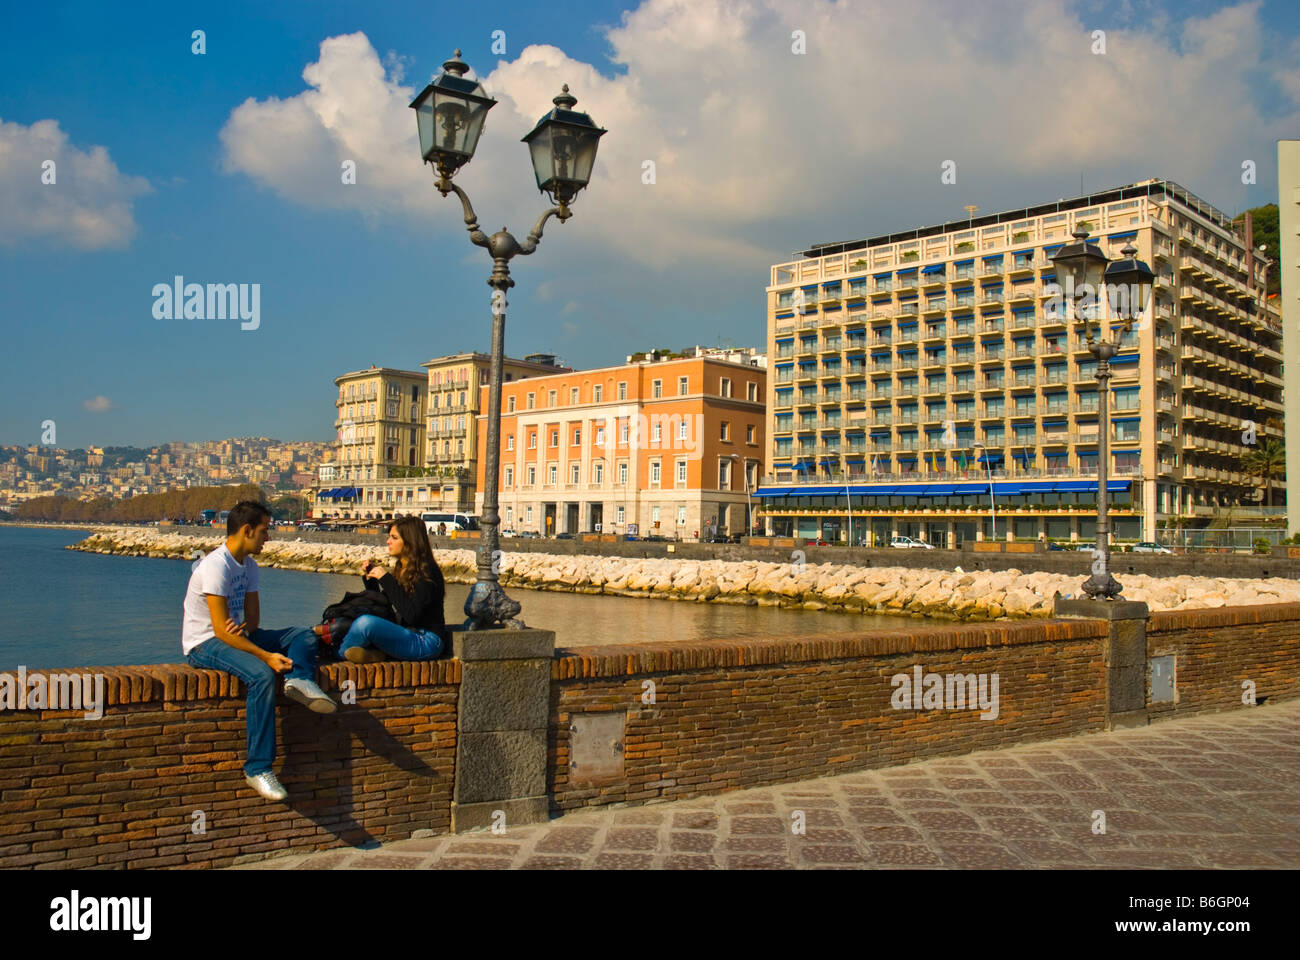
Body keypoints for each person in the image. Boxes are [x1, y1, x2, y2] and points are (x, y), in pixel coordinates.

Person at [182, 500, 337, 802]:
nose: (269, 537)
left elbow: (252, 621)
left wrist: (248, 634)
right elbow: (219, 630)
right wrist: (264, 656)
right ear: (247, 530)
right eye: (265, 531)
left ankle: (299, 681)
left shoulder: (249, 565)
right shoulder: (215, 566)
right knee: (261, 675)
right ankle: (257, 767)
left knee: (303, 635)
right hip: (203, 644)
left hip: (233, 635)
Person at [334, 515, 449, 663]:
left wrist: (386, 579)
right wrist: (372, 580)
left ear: (409, 542)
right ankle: (377, 655)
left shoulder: (427, 572)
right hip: (407, 634)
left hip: (427, 641)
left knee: (365, 623)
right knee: (353, 618)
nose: (388, 542)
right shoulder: (402, 568)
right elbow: (386, 605)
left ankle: (339, 655)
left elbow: (411, 615)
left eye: (394, 538)